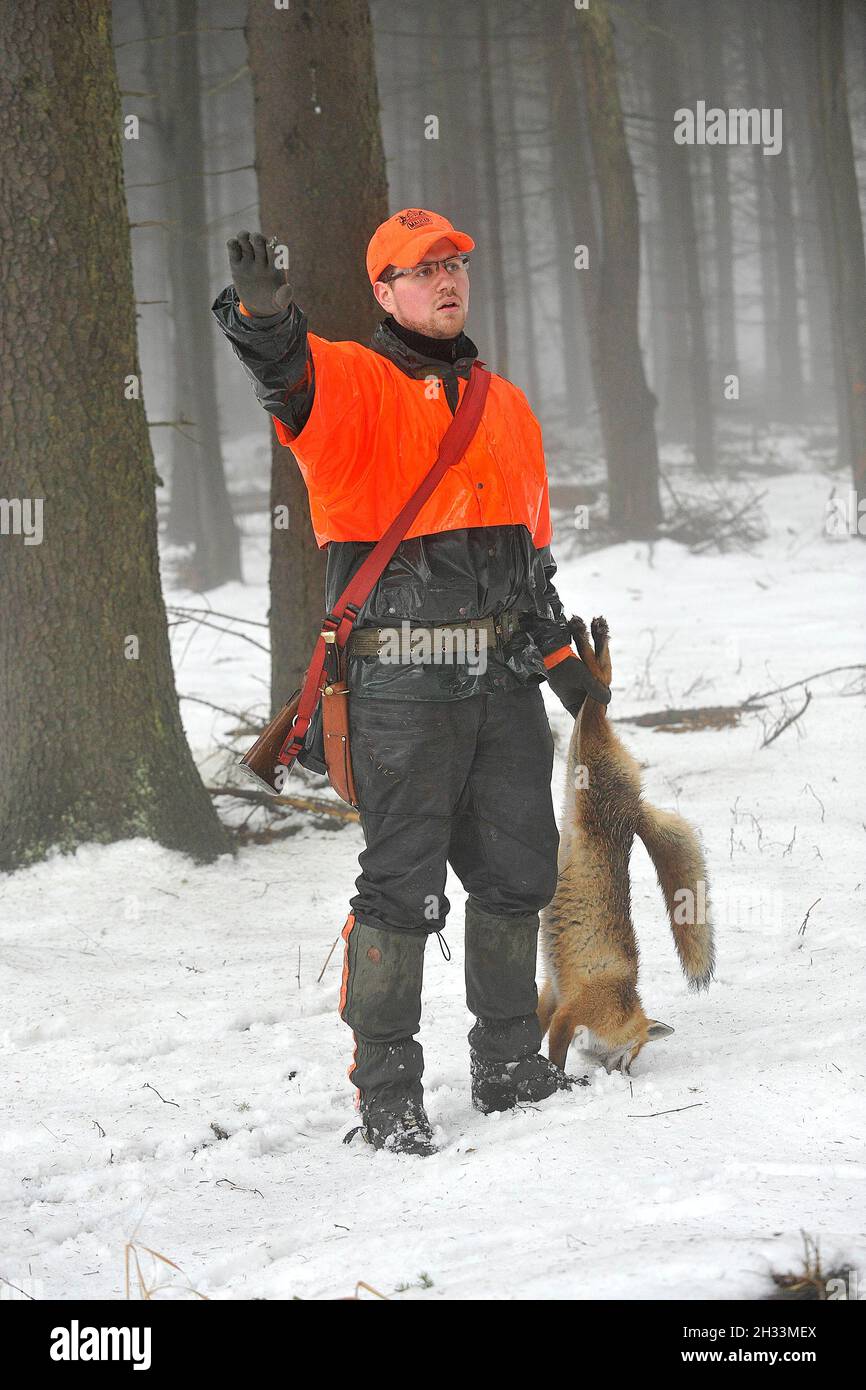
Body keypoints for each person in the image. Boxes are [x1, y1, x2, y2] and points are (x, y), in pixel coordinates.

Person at [211, 209, 611, 1157]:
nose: (446, 280)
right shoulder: (348, 382)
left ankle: (510, 1062)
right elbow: (285, 370)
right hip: (399, 690)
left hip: (503, 685)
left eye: (456, 264)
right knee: (401, 891)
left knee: (517, 876)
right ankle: (388, 1094)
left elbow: (531, 562)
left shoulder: (505, 405)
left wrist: (568, 674)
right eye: (422, 269)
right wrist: (262, 316)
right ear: (383, 290)